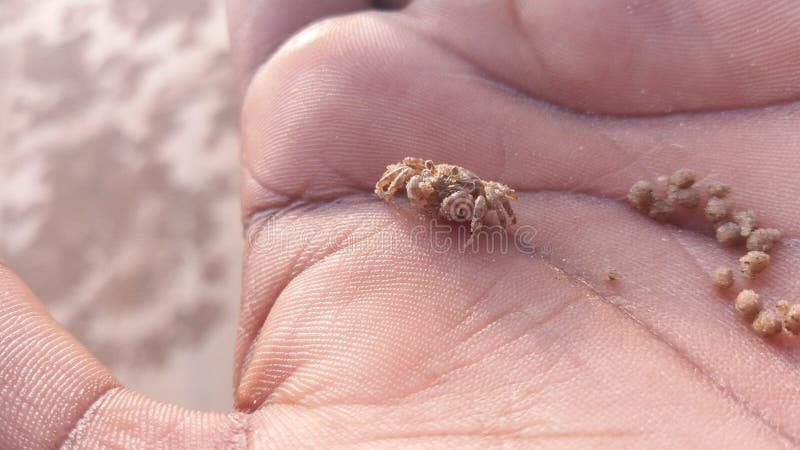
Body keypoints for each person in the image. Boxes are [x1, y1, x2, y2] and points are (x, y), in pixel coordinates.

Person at [3, 0, 800, 447]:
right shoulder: (422, 179)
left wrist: (483, 218)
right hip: (440, 181)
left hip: (467, 188)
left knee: (477, 208)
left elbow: (483, 205)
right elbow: (419, 185)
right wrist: (419, 197)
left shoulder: (486, 198)